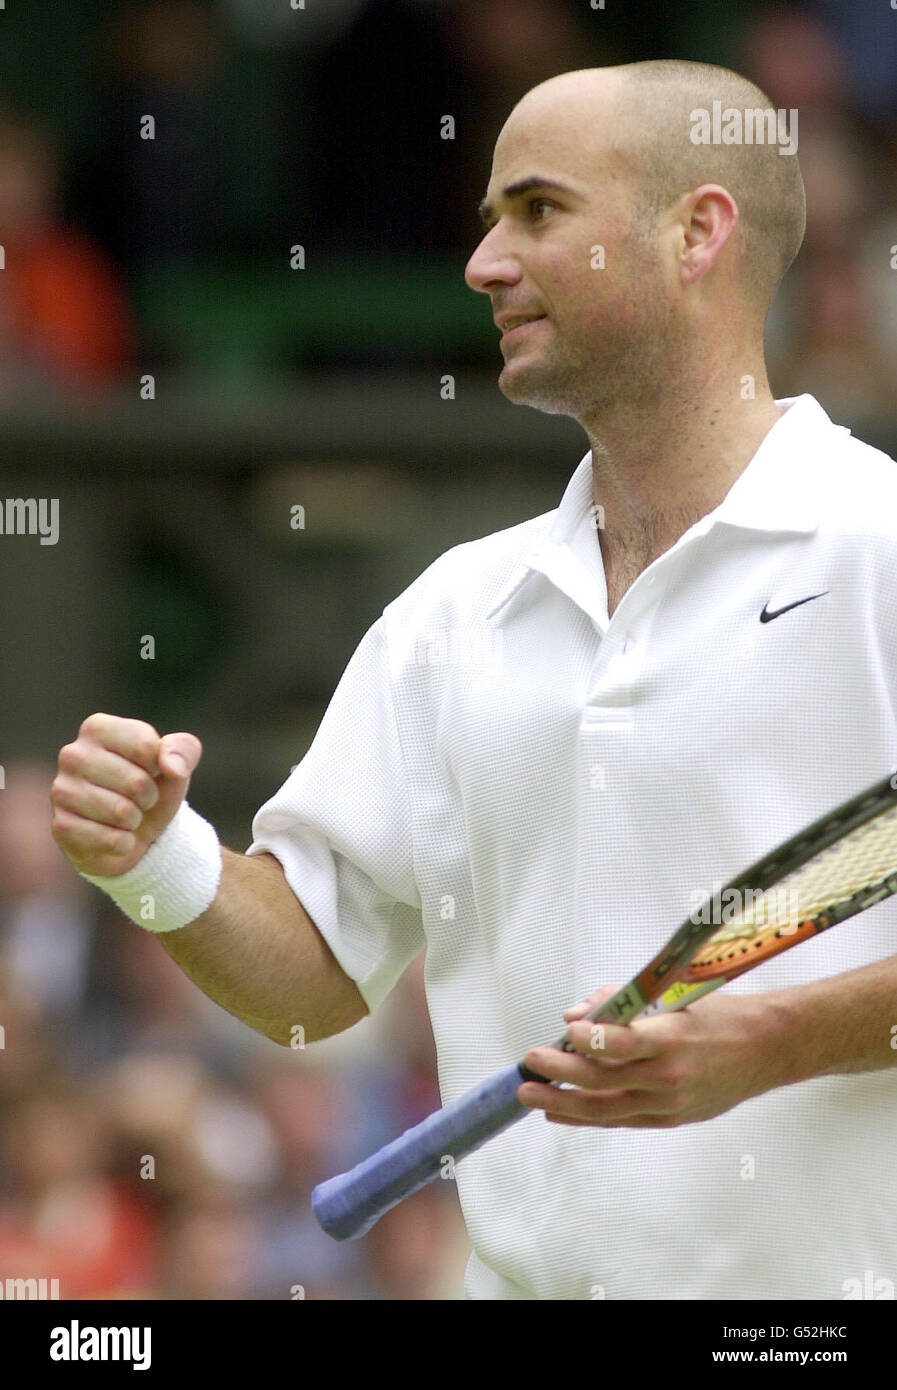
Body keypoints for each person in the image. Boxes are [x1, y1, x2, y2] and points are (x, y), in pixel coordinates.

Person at [52, 60, 897, 1300]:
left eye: (539, 212)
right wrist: (156, 856)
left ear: (697, 233)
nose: (485, 262)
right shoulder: (450, 614)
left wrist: (764, 1044)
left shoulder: (880, 548)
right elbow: (315, 979)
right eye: (491, 217)